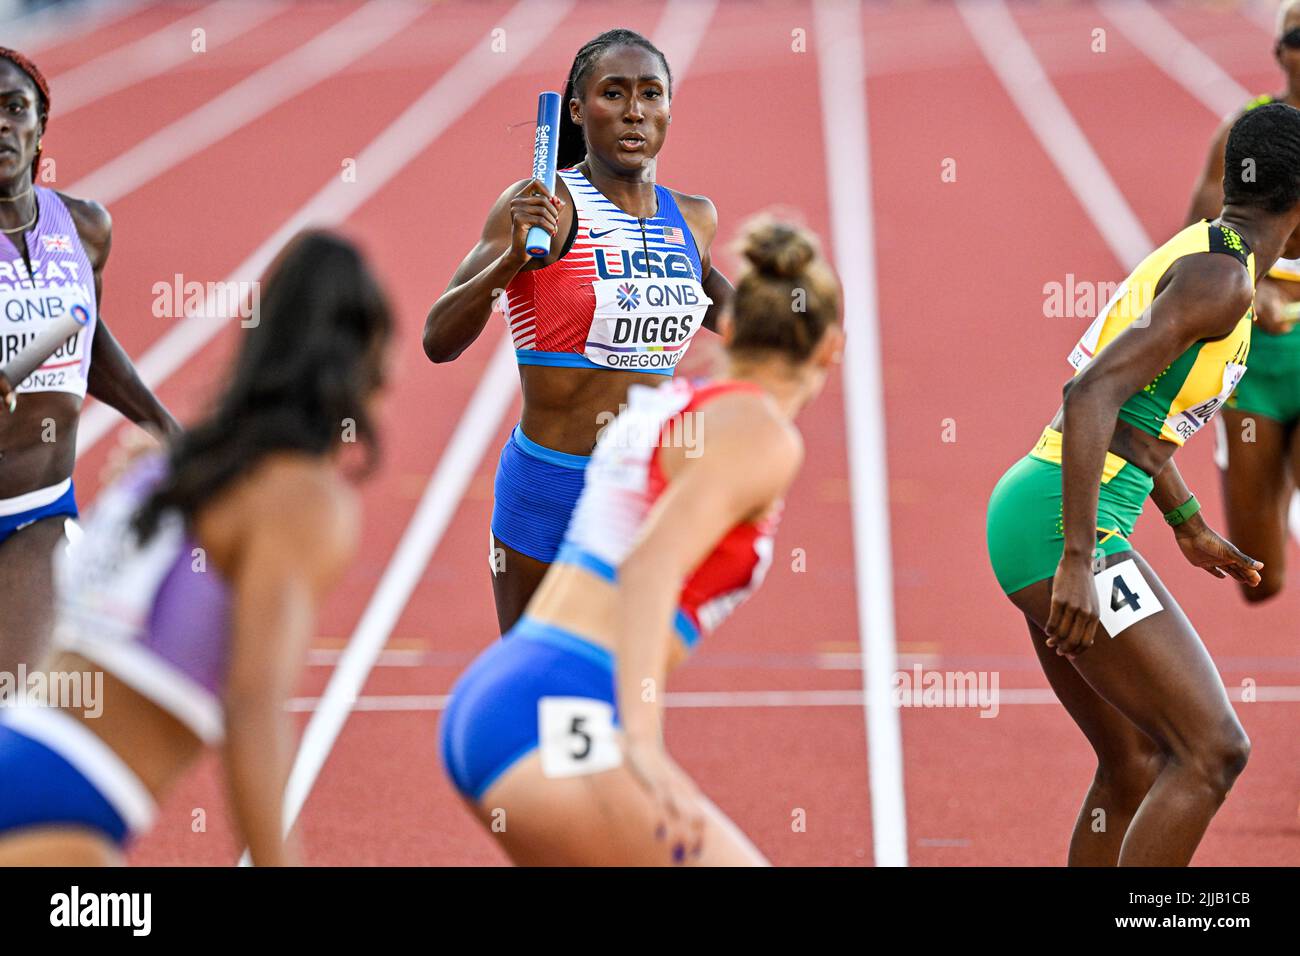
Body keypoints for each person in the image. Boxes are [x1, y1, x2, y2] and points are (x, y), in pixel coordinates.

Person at [439, 217, 842, 865]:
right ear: (831, 348)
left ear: (730, 330)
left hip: (507, 695)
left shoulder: (671, 407)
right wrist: (644, 747)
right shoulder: (762, 431)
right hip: (560, 711)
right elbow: (649, 563)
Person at [0, 231, 391, 866]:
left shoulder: (179, 467)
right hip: (58, 801)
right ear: (362, 360)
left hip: (24, 760)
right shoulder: (304, 500)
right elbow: (253, 705)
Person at [986, 103, 1300, 866]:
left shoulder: (1213, 254)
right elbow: (1087, 395)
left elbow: (1133, 413)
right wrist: (1079, 556)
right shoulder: (1220, 282)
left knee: (1132, 766)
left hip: (1045, 504)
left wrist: (1187, 519)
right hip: (1059, 520)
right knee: (1213, 751)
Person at [423, 28, 731, 632]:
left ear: (669, 108)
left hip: (637, 487)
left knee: (619, 676)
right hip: (548, 485)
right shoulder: (544, 205)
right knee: (532, 673)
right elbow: (439, 338)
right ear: (576, 110)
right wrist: (511, 259)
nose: (635, 111)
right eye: (613, 93)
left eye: (651, 93)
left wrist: (802, 305)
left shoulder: (692, 218)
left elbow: (744, 322)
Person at [0, 46, 179, 672]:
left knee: (18, 694)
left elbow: (90, 342)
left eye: (14, 107)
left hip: (37, 508)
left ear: (40, 125)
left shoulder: (84, 228)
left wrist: (166, 428)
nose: (1, 123)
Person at [1184, 1, 1300, 602]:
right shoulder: (1245, 134)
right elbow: (1197, 243)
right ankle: (1276, 469)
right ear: (1279, 51)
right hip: (1256, 361)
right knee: (1260, 579)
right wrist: (1252, 289)